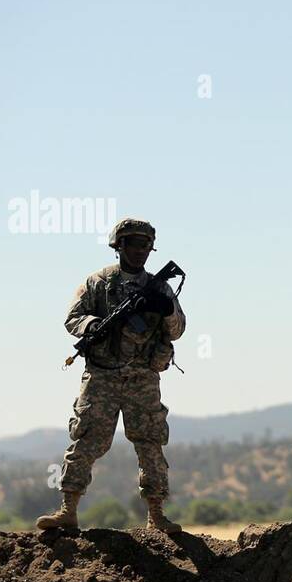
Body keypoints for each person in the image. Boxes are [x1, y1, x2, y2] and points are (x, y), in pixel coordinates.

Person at [37, 218, 186, 533]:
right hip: (102, 377)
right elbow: (72, 318)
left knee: (150, 442)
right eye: (133, 243)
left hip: (143, 378)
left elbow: (178, 330)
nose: (140, 251)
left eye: (145, 245)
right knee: (87, 438)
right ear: (119, 245)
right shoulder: (97, 282)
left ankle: (156, 515)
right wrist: (95, 326)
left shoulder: (160, 287)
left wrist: (167, 309)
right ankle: (68, 510)